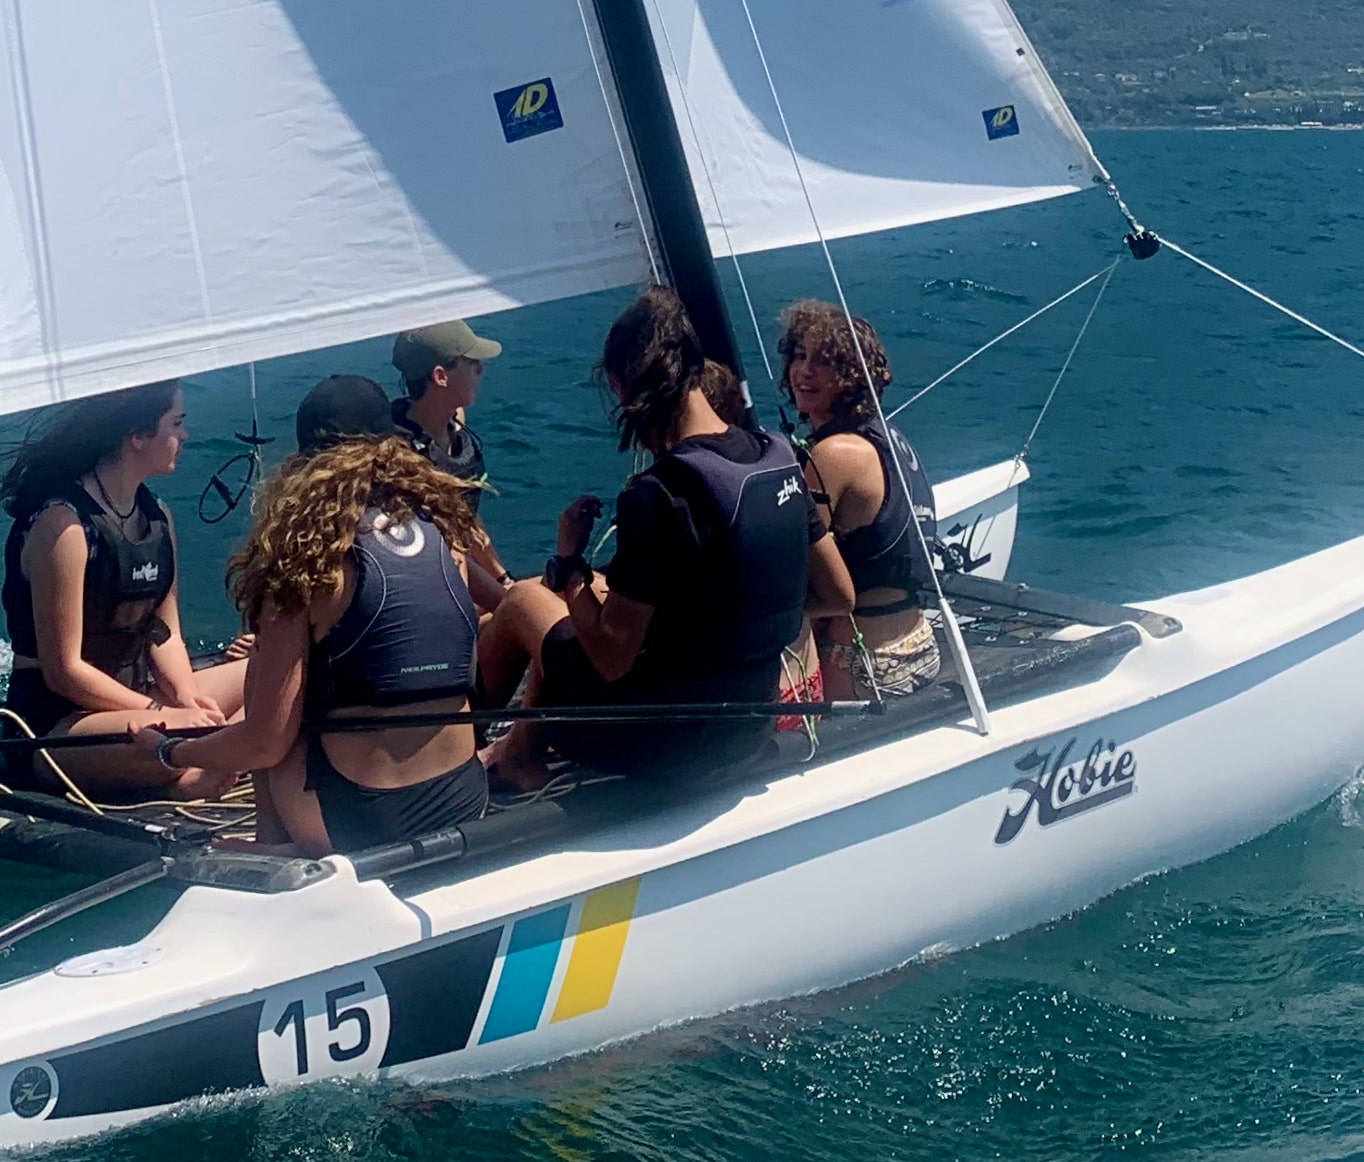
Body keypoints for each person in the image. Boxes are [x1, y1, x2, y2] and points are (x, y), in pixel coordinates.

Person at [485, 288, 852, 790]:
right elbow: (838, 594)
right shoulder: (780, 459)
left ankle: (444, 770)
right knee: (580, 608)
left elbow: (613, 659)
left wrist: (569, 562)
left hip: (662, 745)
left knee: (527, 599)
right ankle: (520, 754)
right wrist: (734, 618)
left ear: (624, 387)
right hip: (745, 729)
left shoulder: (660, 494)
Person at [159, 431, 493, 854]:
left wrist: (170, 752)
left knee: (264, 671)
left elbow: (264, 745)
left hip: (360, 822)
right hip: (462, 803)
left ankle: (274, 843)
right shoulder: (449, 545)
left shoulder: (308, 567)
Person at [0, 380, 244, 790]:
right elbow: (64, 671)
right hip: (59, 724)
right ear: (138, 437)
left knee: (277, 681)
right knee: (173, 736)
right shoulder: (64, 525)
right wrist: (158, 711)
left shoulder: (157, 516)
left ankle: (212, 757)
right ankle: (196, 774)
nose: (184, 436)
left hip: (140, 697)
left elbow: (165, 635)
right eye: (175, 423)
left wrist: (186, 698)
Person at [778, 298, 950, 703]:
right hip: (917, 643)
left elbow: (794, 572)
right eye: (799, 356)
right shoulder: (887, 437)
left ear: (852, 375)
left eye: (824, 361)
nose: (804, 371)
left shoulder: (832, 455)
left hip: (861, 661)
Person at [389, 321, 500, 493]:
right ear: (440, 376)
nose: (481, 370)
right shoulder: (397, 460)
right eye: (473, 362)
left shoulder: (453, 422)